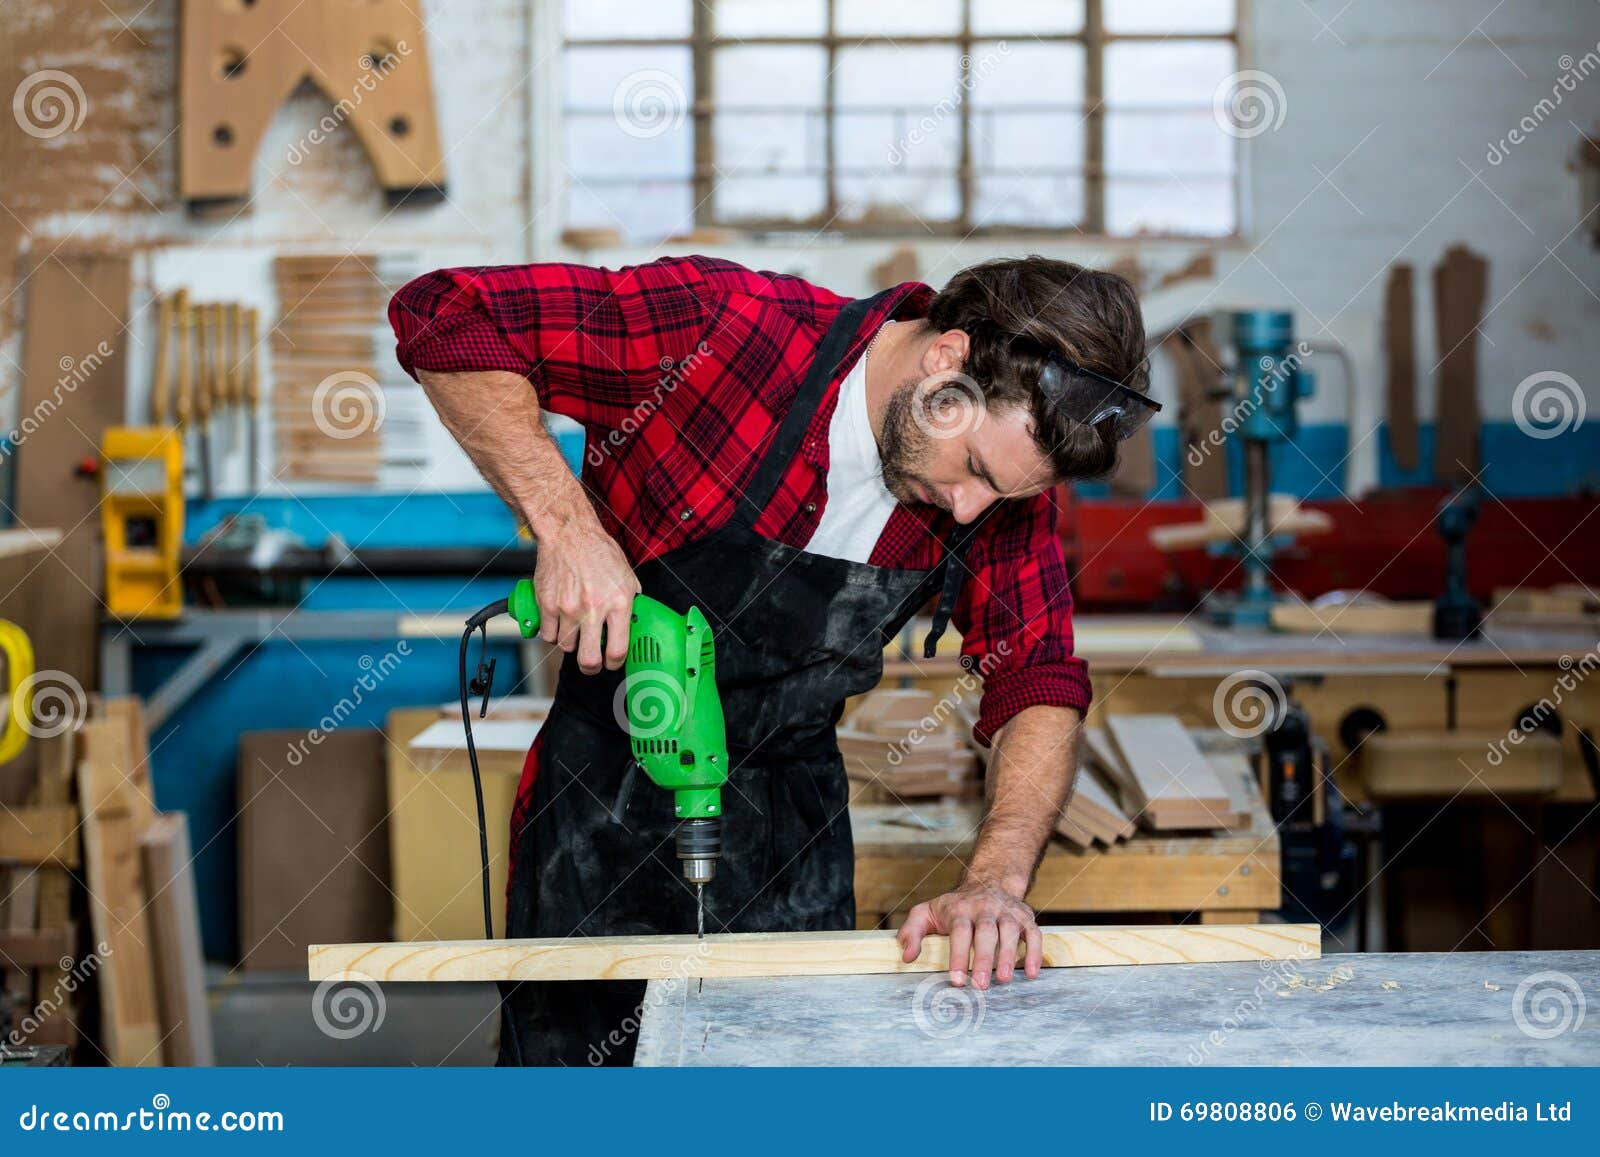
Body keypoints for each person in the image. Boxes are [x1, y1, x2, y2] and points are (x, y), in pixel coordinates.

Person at [388, 254, 1154, 1064]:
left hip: (791, 831)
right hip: (598, 811)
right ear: (947, 358)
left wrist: (995, 885)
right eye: (971, 471)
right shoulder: (725, 328)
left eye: (1002, 494)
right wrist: (567, 527)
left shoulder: (997, 491)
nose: (971, 508)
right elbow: (446, 314)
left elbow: (1035, 674)